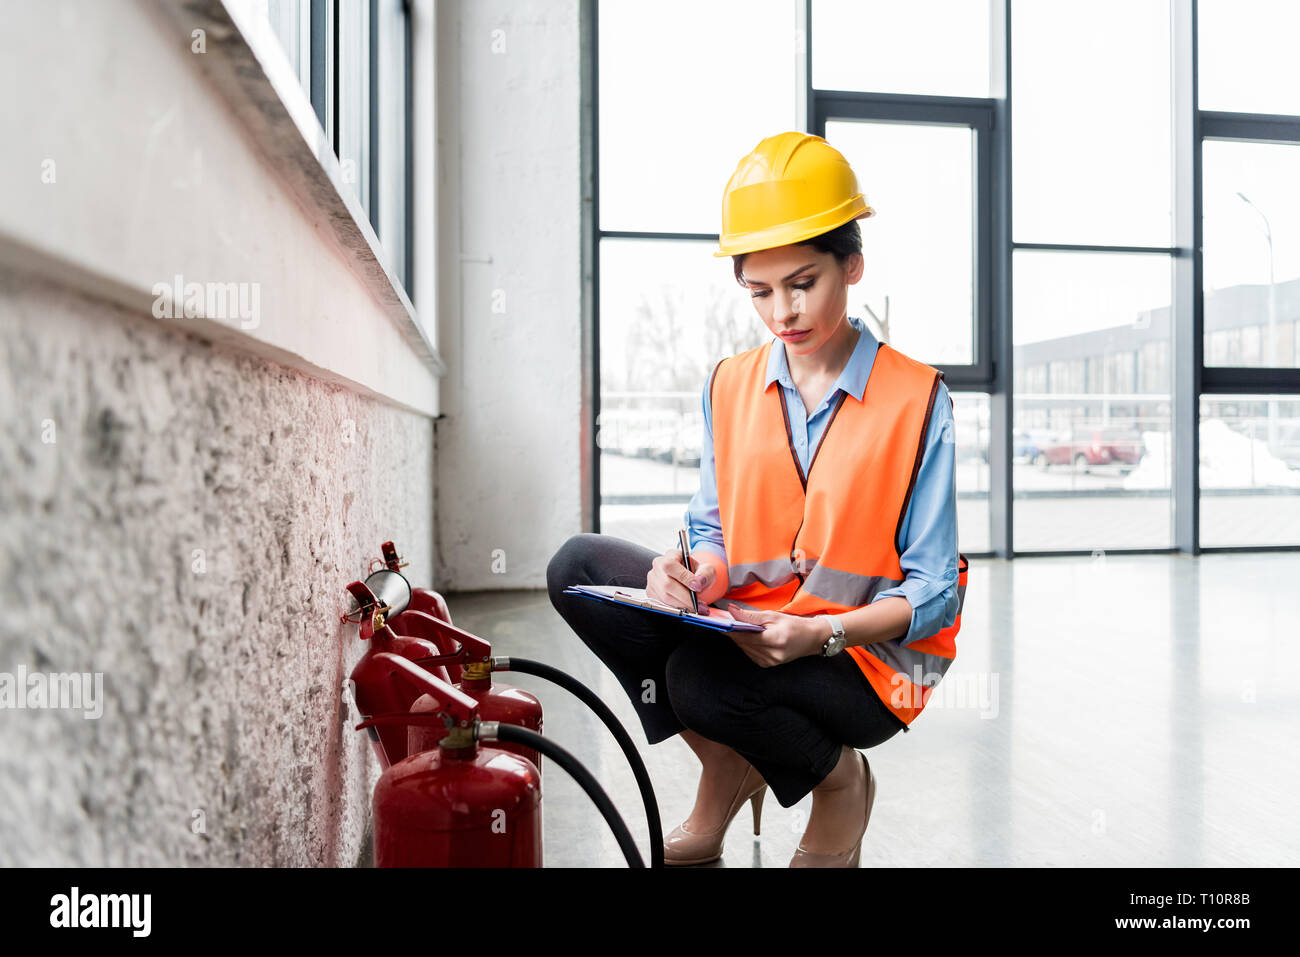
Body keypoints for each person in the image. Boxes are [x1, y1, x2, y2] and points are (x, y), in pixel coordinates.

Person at [546, 131, 969, 867]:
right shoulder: (729, 382)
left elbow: (935, 594)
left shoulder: (918, 397)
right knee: (575, 567)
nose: (784, 310)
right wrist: (694, 572)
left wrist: (818, 635)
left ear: (853, 264)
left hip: (864, 655)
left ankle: (841, 782)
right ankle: (730, 764)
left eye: (803, 282)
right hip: (752, 616)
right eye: (760, 290)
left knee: (698, 678)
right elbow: (712, 524)